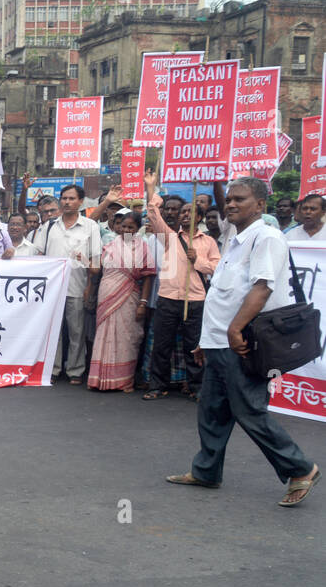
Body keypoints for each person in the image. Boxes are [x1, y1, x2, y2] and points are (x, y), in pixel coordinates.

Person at [165, 177, 319, 507]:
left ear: (261, 205)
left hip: (243, 342)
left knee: (248, 410)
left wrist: (235, 331)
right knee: (211, 410)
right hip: (221, 341)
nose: (231, 204)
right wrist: (208, 340)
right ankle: (206, 471)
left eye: (240, 199)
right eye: (229, 199)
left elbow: (261, 289)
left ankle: (300, 468)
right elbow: (224, 295)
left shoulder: (268, 238)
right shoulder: (235, 239)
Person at [141, 171, 219, 400]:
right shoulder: (170, 238)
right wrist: (150, 188)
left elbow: (217, 268)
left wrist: (199, 261)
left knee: (193, 346)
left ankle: (196, 387)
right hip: (168, 298)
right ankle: (157, 385)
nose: (185, 215)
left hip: (194, 300)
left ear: (200, 216)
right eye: (183, 212)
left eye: (189, 211)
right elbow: (154, 214)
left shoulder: (209, 242)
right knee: (161, 346)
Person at [33, 184, 102, 385]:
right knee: (52, 331)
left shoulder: (91, 226)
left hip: (77, 286)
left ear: (81, 202)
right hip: (52, 290)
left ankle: (75, 370)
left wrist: (88, 276)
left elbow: (96, 265)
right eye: (64, 198)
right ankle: (52, 368)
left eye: (72, 199)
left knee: (76, 331)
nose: (67, 202)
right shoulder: (49, 226)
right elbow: (38, 255)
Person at [87, 211, 156, 392]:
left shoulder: (143, 247)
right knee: (104, 335)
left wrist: (143, 302)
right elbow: (96, 270)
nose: (125, 230)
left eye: (130, 227)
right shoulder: (109, 246)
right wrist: (82, 260)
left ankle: (124, 380)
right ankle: (99, 378)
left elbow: (148, 277)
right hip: (106, 294)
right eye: (123, 226)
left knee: (128, 337)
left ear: (137, 229)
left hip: (129, 296)